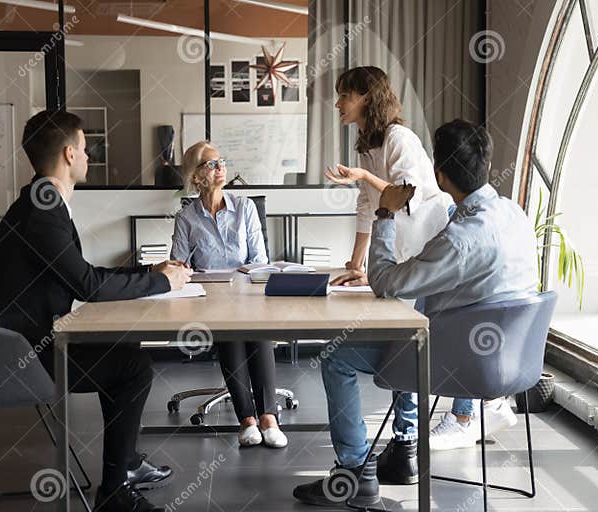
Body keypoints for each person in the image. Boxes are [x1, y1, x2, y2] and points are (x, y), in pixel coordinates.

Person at [293, 119, 539, 507]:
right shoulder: (514, 214)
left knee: (337, 358)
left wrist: (385, 215)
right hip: (515, 360)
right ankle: (404, 447)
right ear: (487, 165)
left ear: (439, 175)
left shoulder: (460, 238)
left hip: (463, 363)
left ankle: (354, 474)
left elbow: (385, 283)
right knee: (416, 320)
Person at [0, 110, 192, 512]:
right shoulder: (43, 212)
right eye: (85, 149)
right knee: (133, 368)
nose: (90, 156)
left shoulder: (39, 202)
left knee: (124, 347)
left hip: (22, 341)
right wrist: (164, 284)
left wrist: (150, 272)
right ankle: (114, 493)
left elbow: (82, 275)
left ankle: (126, 463)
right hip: (19, 356)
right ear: (69, 154)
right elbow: (88, 286)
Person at [170, 141, 288, 449]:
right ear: (196, 176)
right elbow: (177, 266)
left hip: (249, 293)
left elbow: (260, 259)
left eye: (221, 162)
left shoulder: (245, 207)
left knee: (256, 330)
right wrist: (183, 269)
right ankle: (247, 418)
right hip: (212, 299)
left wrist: (244, 285)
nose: (220, 167)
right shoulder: (186, 219)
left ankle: (268, 417)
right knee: (230, 332)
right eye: (211, 164)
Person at [325, 66, 451, 276]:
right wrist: (356, 265)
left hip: (427, 251)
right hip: (401, 253)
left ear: (366, 98)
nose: (338, 104)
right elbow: (366, 206)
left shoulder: (398, 138)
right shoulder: (367, 145)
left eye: (345, 96)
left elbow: (408, 198)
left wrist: (365, 176)